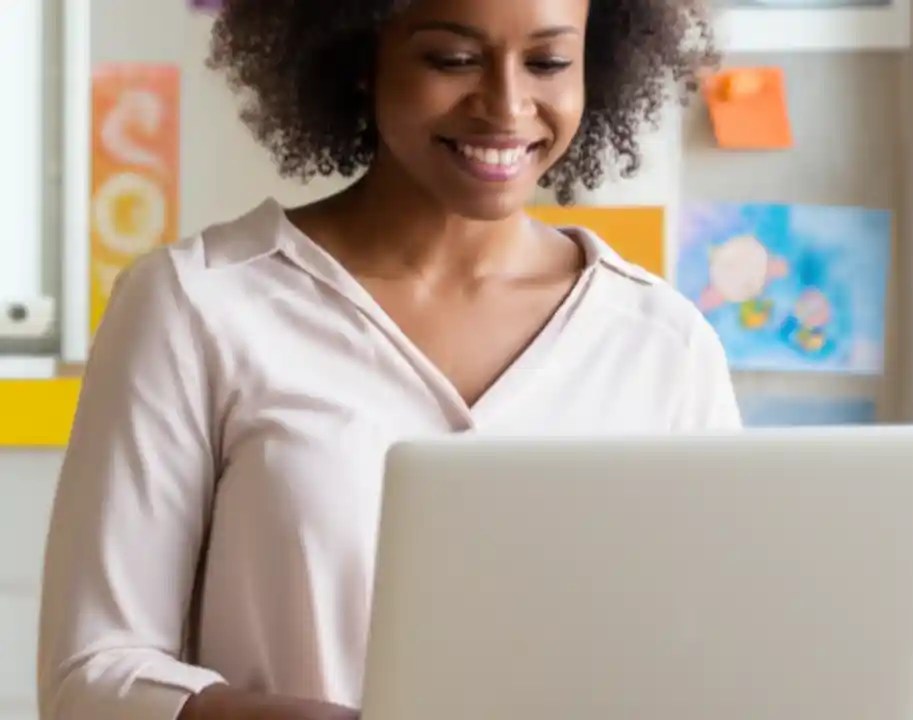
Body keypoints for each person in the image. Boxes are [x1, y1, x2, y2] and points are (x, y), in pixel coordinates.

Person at [36, 0, 736, 718]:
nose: (506, 104)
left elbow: (722, 664)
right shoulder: (195, 307)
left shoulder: (664, 346)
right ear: (360, 60)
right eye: (453, 59)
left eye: (548, 62)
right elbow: (91, 678)